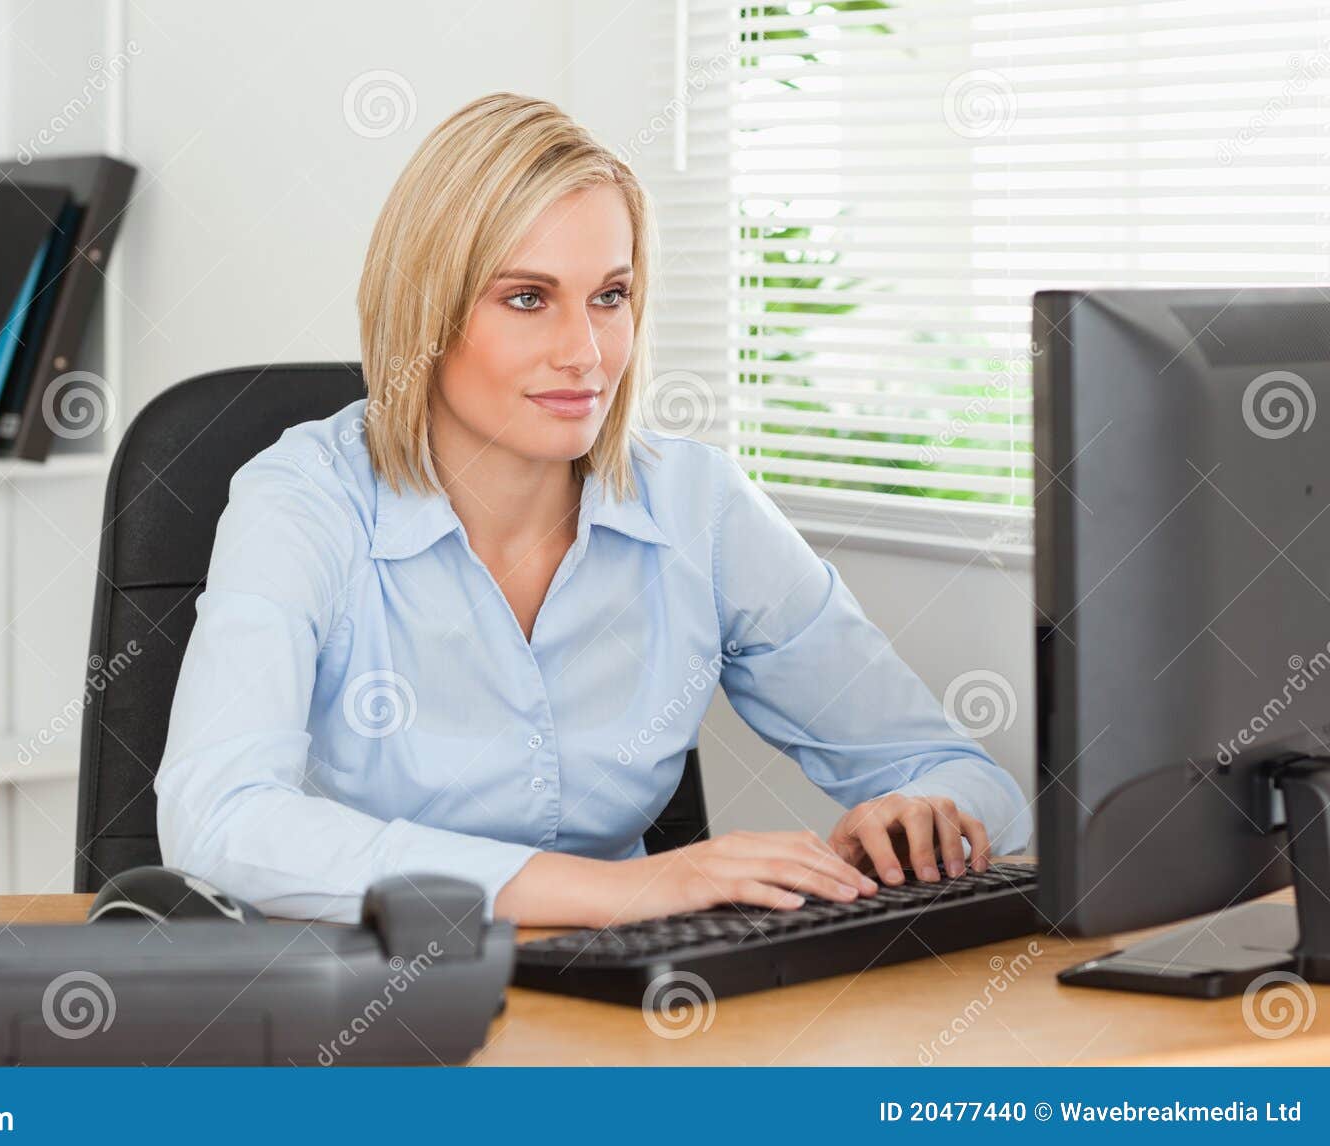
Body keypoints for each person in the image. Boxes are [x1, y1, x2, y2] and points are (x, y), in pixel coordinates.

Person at [154, 92, 1031, 928]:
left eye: (610, 297)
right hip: (363, 996)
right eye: (527, 298)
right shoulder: (305, 502)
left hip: (621, 1003)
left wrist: (923, 812)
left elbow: (967, 779)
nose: (586, 353)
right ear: (426, 310)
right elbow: (222, 821)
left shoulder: (700, 509)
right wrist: (623, 887)